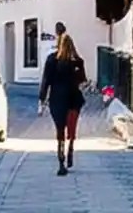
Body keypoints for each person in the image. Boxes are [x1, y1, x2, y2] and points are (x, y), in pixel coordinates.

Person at [38, 33, 87, 176]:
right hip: (73, 99)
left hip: (57, 100)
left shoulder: (51, 60)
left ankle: (61, 160)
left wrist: (42, 100)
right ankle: (70, 146)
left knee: (60, 129)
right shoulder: (77, 62)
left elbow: (46, 81)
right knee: (71, 127)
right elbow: (82, 80)